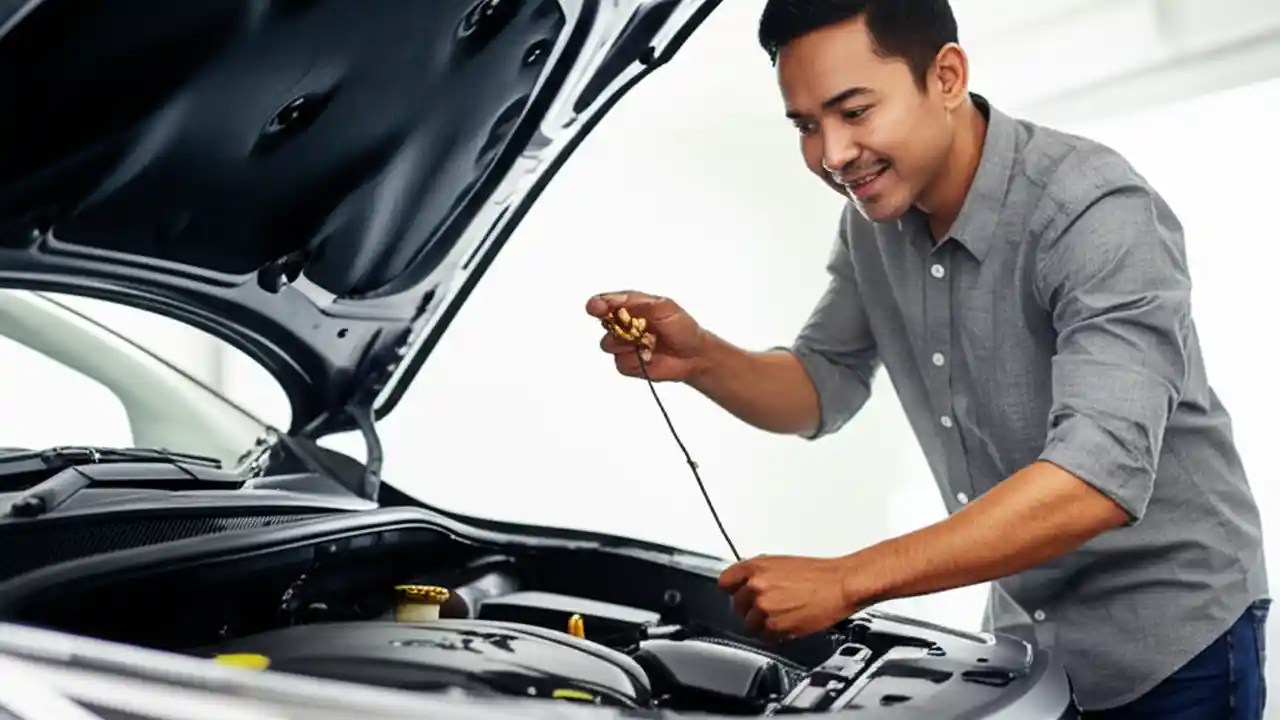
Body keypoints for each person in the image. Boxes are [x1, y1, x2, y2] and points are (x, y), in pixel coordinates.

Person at [585, 1, 1269, 717]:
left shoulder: (1094, 211)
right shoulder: (871, 222)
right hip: (1025, 631)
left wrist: (848, 580)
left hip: (1170, 640)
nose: (831, 155)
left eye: (854, 111)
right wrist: (702, 359)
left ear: (945, 76)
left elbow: (1096, 477)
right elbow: (825, 384)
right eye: (807, 125)